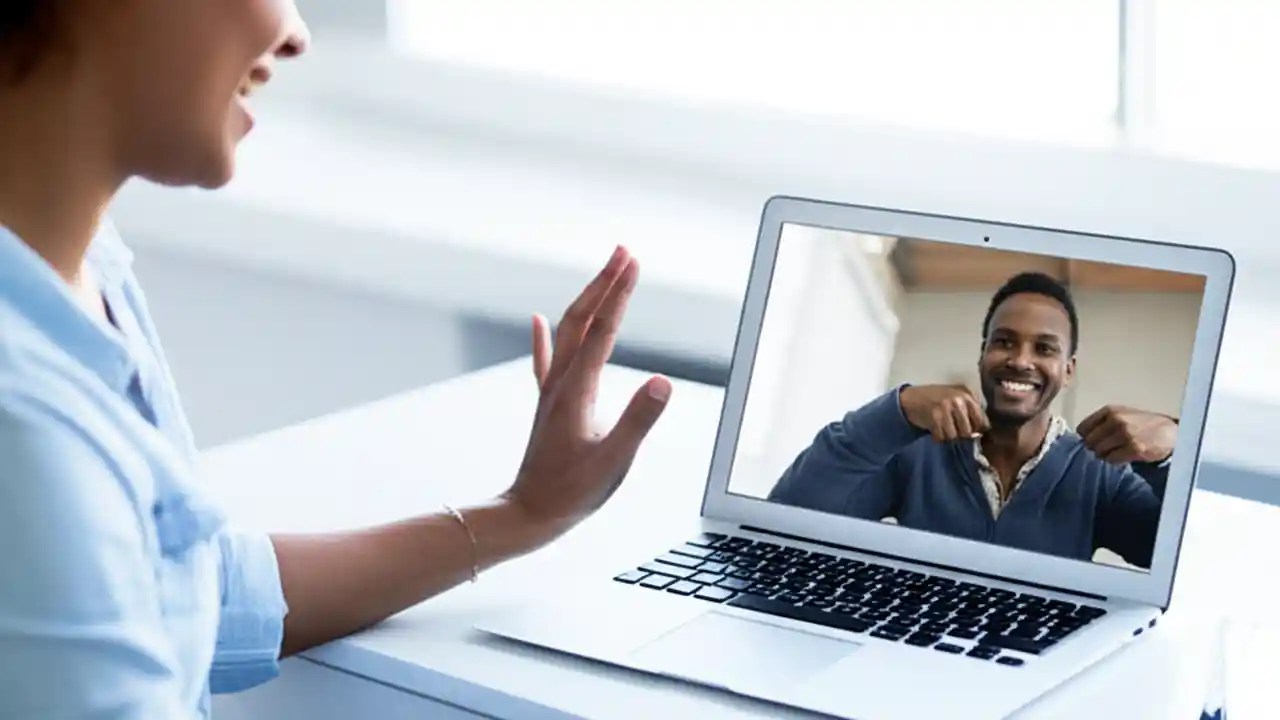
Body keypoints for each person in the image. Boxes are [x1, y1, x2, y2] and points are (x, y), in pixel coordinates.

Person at [0, 2, 672, 717]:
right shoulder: (21, 419)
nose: (295, 33)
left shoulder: (83, 272)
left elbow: (188, 588)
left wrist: (527, 512)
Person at [768, 271, 1179, 569]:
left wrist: (1172, 453)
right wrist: (898, 409)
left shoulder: (1101, 472)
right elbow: (791, 512)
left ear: (1068, 370)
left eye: (1044, 349)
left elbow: (1169, 559)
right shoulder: (917, 452)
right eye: (1004, 342)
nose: (1020, 360)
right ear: (982, 354)